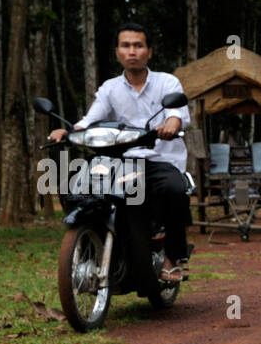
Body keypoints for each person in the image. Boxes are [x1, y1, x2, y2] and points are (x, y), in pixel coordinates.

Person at [50, 22, 193, 282]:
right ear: (118, 51)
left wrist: (172, 124)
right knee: (80, 188)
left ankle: (173, 258)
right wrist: (69, 132)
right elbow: (91, 119)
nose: (132, 51)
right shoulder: (110, 88)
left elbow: (176, 114)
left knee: (174, 189)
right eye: (126, 46)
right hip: (121, 164)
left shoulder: (167, 82)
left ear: (149, 51)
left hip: (159, 161)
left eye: (138, 45)